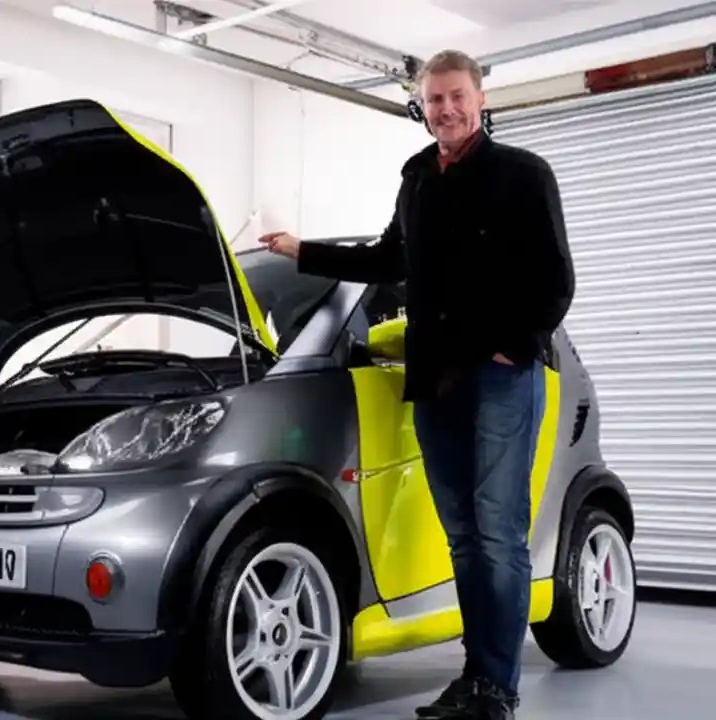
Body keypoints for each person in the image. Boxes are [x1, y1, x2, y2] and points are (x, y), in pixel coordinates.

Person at [259, 49, 574, 720]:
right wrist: (300, 250)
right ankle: (475, 677)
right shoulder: (416, 178)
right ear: (421, 106)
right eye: (434, 100)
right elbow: (386, 259)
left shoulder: (522, 174)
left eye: (457, 96)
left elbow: (556, 278)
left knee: (497, 534)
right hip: (433, 382)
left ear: (481, 99)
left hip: (500, 379)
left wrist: (512, 349)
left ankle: (497, 689)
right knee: (462, 536)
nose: (447, 109)